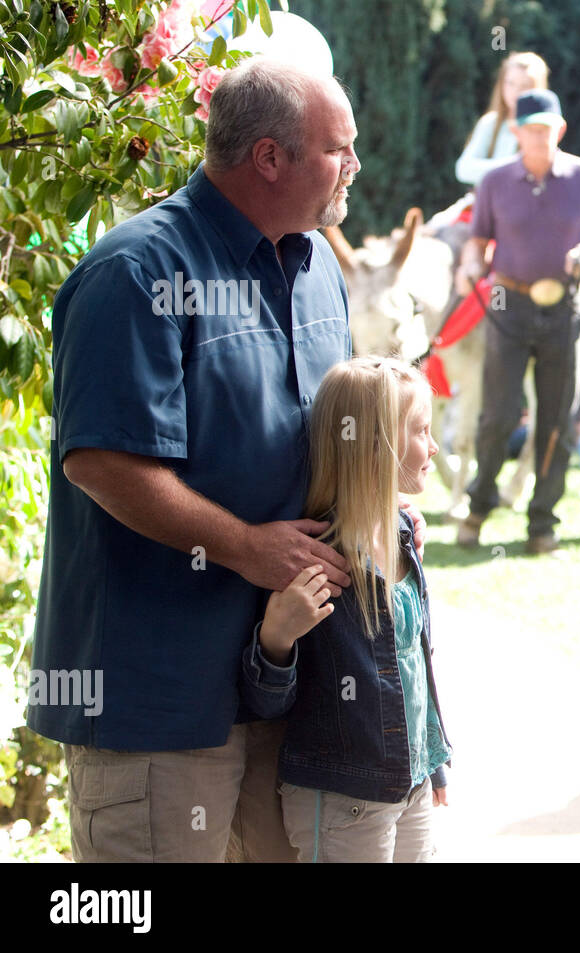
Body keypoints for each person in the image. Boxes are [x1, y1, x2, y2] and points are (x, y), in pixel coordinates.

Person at [27, 58, 363, 862]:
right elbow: (102, 462)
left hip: (286, 690)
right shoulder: (134, 270)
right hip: (157, 697)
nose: (355, 167)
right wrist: (248, 546)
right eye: (338, 150)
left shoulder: (318, 269)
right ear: (269, 158)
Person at [241, 358, 450, 863]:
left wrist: (434, 761)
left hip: (412, 778)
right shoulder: (316, 558)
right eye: (421, 430)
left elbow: (413, 666)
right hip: (345, 799)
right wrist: (276, 638)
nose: (434, 446)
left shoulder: (404, 536)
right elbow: (268, 705)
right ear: (377, 446)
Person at [454, 89, 580, 555]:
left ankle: (542, 523)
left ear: (559, 129)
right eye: (532, 129)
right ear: (515, 132)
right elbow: (477, 240)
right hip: (508, 304)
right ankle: (479, 506)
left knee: (556, 421)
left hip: (564, 308)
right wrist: (469, 266)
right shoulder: (495, 182)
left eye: (548, 128)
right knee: (498, 415)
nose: (540, 136)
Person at [454, 52, 549, 188]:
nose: (516, 91)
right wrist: (513, 167)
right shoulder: (490, 123)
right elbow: (463, 169)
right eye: (511, 83)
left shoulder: (543, 127)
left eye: (525, 86)